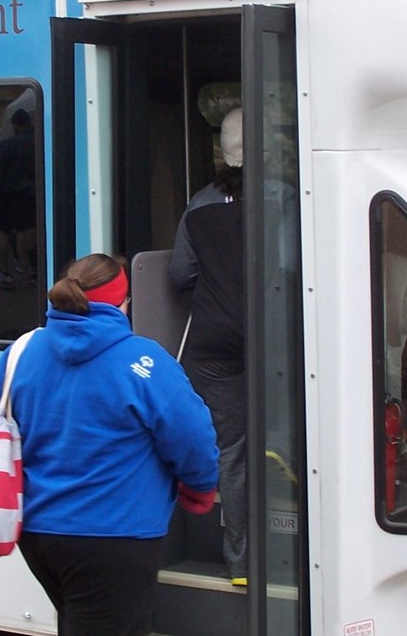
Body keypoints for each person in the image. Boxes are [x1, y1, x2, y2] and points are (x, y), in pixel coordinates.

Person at [0, 253, 218, 635]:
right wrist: (200, 485)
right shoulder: (144, 361)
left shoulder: (22, 352)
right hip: (115, 537)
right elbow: (193, 437)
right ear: (122, 303)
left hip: (39, 534)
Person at [168, 106, 249, 586]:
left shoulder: (199, 204)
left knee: (232, 451)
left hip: (213, 345)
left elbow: (180, 275)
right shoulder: (283, 197)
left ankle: (241, 565)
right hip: (271, 343)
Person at [0, 109, 38, 289]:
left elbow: (0, 171)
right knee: (25, 234)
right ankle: (27, 273)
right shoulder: (38, 141)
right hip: (30, 193)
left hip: (8, 192)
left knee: (4, 233)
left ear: (15, 124)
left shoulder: (8, 144)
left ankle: (5, 272)